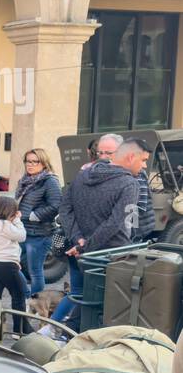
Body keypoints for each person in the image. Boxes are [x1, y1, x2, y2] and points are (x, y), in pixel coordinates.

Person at [53, 137, 151, 328]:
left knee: (83, 298)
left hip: (82, 252)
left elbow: (65, 210)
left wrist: (79, 240)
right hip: (111, 257)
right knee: (102, 309)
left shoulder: (83, 174)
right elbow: (116, 223)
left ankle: (59, 332)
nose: (145, 166)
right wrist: (84, 244)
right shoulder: (130, 183)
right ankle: (64, 335)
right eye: (144, 160)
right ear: (131, 157)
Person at [14, 147, 62, 302]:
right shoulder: (25, 180)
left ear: (44, 163)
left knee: (35, 272)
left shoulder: (50, 181)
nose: (30, 165)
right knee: (14, 266)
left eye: (35, 161)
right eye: (28, 161)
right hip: (23, 231)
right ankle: (25, 297)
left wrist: (35, 215)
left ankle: (36, 302)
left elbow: (56, 205)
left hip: (40, 234)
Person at [0, 195, 29, 336]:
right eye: (14, 212)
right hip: (7, 265)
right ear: (8, 211)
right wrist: (17, 220)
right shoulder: (5, 225)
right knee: (19, 295)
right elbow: (22, 236)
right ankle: (19, 330)